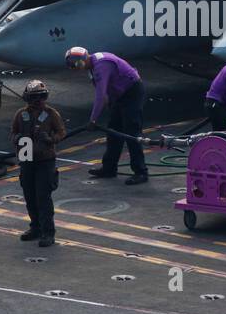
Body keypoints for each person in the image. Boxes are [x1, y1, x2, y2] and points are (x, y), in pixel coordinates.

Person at [65, 47, 149, 184]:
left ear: (81, 61)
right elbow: (106, 91)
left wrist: (93, 119)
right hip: (119, 95)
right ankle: (109, 168)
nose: (75, 70)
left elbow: (101, 96)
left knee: (131, 133)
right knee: (114, 132)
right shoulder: (91, 65)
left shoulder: (101, 66)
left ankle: (141, 172)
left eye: (74, 66)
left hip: (132, 93)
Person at [10, 79, 66, 247]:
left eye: (41, 97)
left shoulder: (51, 114)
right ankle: (35, 228)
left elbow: (62, 132)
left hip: (45, 160)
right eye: (34, 98)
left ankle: (48, 232)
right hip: (26, 158)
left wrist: (51, 139)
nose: (38, 101)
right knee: (29, 196)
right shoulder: (21, 114)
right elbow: (13, 132)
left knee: (43, 197)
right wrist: (16, 138)